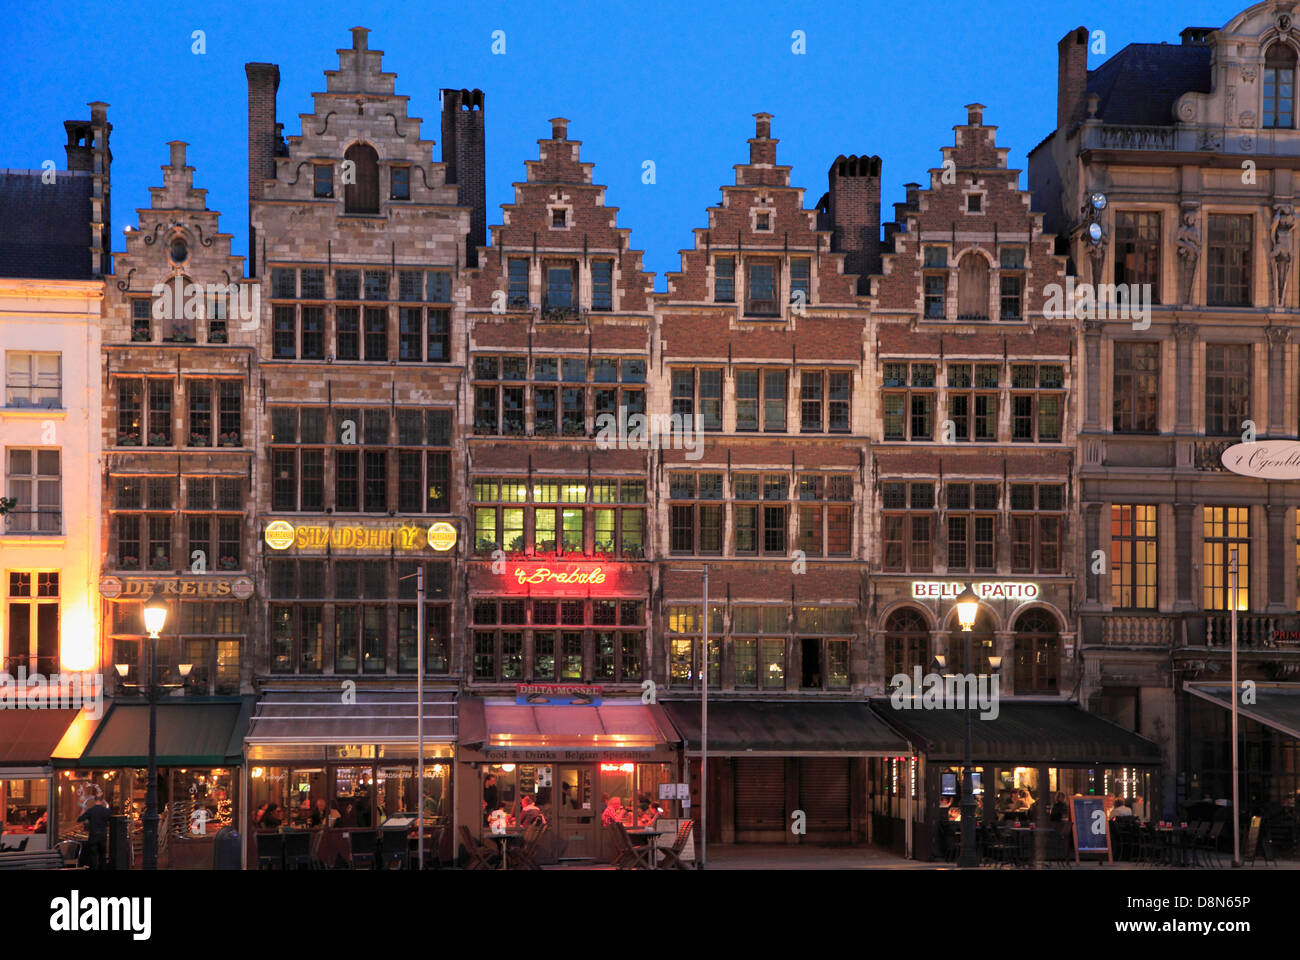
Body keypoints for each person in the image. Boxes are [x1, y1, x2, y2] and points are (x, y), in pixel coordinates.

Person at [77, 797, 110, 870]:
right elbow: (109, 821)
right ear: (102, 801)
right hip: (102, 835)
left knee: (93, 855)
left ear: (95, 800)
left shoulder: (91, 810)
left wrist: (83, 810)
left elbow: (80, 819)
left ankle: (94, 868)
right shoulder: (106, 811)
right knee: (102, 855)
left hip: (93, 835)